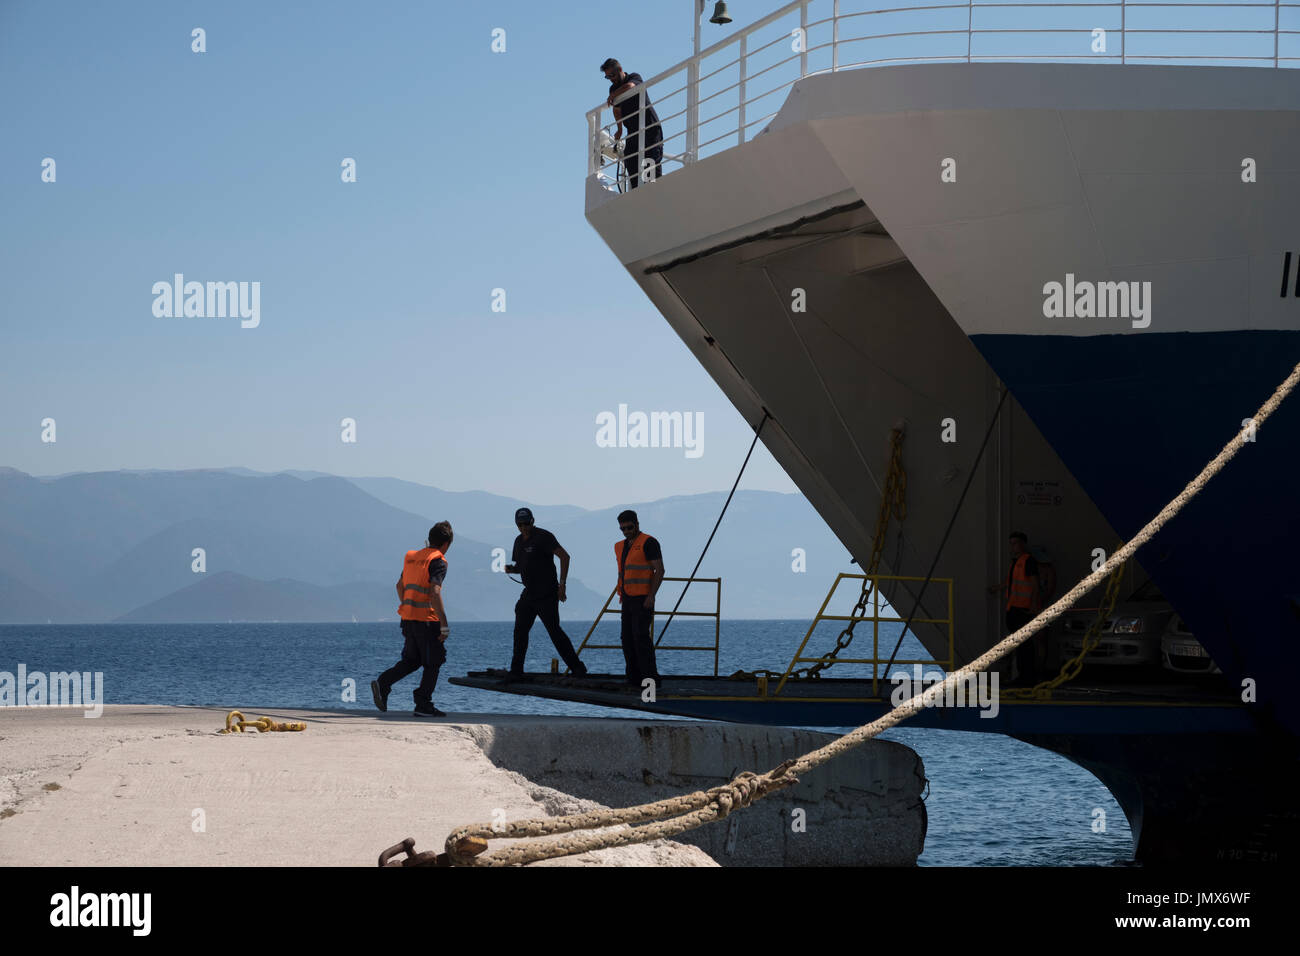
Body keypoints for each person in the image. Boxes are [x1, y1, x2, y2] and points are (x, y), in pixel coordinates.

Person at [372, 522, 453, 718]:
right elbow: (434, 592)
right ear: (446, 544)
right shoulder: (438, 561)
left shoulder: (412, 558)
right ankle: (423, 704)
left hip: (408, 619)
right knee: (433, 662)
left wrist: (408, 606)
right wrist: (444, 624)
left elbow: (399, 586)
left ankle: (384, 682)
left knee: (412, 660)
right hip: (427, 620)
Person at [505, 508, 588, 678]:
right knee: (520, 631)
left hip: (547, 593)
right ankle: (516, 671)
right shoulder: (518, 542)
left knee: (554, 631)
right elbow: (521, 567)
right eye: (520, 525)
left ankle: (577, 668)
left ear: (532, 521)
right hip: (529, 593)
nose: (523, 528)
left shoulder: (544, 537)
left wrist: (562, 585)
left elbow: (565, 557)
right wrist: (511, 569)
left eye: (526, 524)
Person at [614, 510, 665, 687]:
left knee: (641, 638)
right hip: (627, 598)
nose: (626, 531)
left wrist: (651, 595)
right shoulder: (619, 546)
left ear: (637, 524)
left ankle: (651, 679)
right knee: (626, 639)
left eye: (629, 527)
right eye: (623, 529)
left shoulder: (648, 542)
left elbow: (660, 570)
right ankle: (634, 678)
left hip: (643, 598)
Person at [601, 58, 662, 189]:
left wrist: (613, 95)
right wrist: (619, 129)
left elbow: (630, 87)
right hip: (633, 132)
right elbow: (616, 109)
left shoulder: (634, 77)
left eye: (612, 75)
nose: (611, 79)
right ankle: (636, 194)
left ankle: (653, 192)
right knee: (631, 162)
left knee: (650, 165)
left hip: (650, 128)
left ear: (620, 70)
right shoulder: (613, 88)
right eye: (607, 77)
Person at [988, 531, 1040, 684]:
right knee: (1019, 644)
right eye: (1011, 543)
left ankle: (1027, 677)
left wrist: (1033, 605)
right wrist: (996, 588)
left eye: (1015, 543)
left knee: (1025, 645)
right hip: (1013, 609)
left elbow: (1035, 584)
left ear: (1023, 544)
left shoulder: (1027, 561)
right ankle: (1020, 675)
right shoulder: (1015, 562)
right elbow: (1009, 582)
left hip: (1023, 610)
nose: (1013, 546)